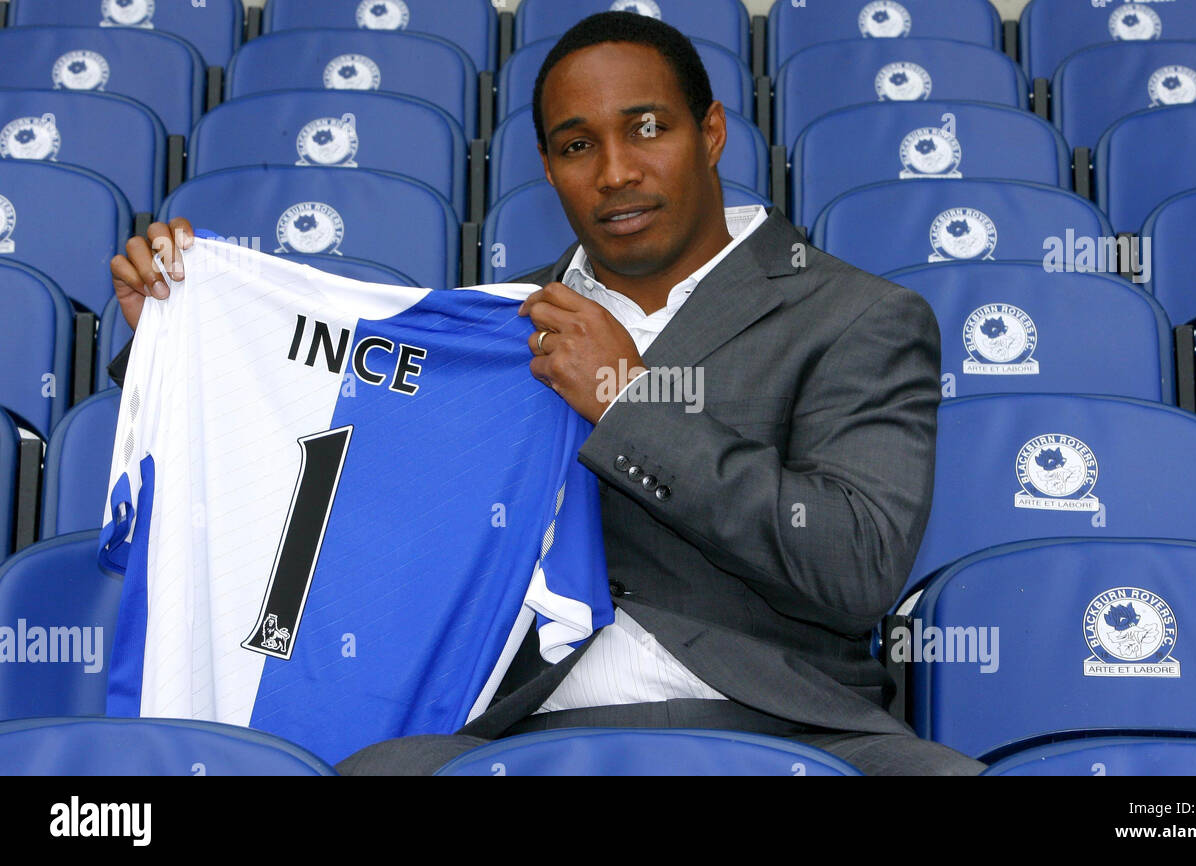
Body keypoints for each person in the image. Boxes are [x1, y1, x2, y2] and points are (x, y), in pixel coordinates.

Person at [108, 12, 983, 775]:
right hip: (525, 733)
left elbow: (854, 565)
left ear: (711, 132)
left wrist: (626, 401)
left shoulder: (855, 315)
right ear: (547, 167)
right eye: (577, 145)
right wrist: (180, 343)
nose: (614, 172)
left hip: (789, 730)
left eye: (647, 128)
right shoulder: (489, 329)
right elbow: (325, 490)